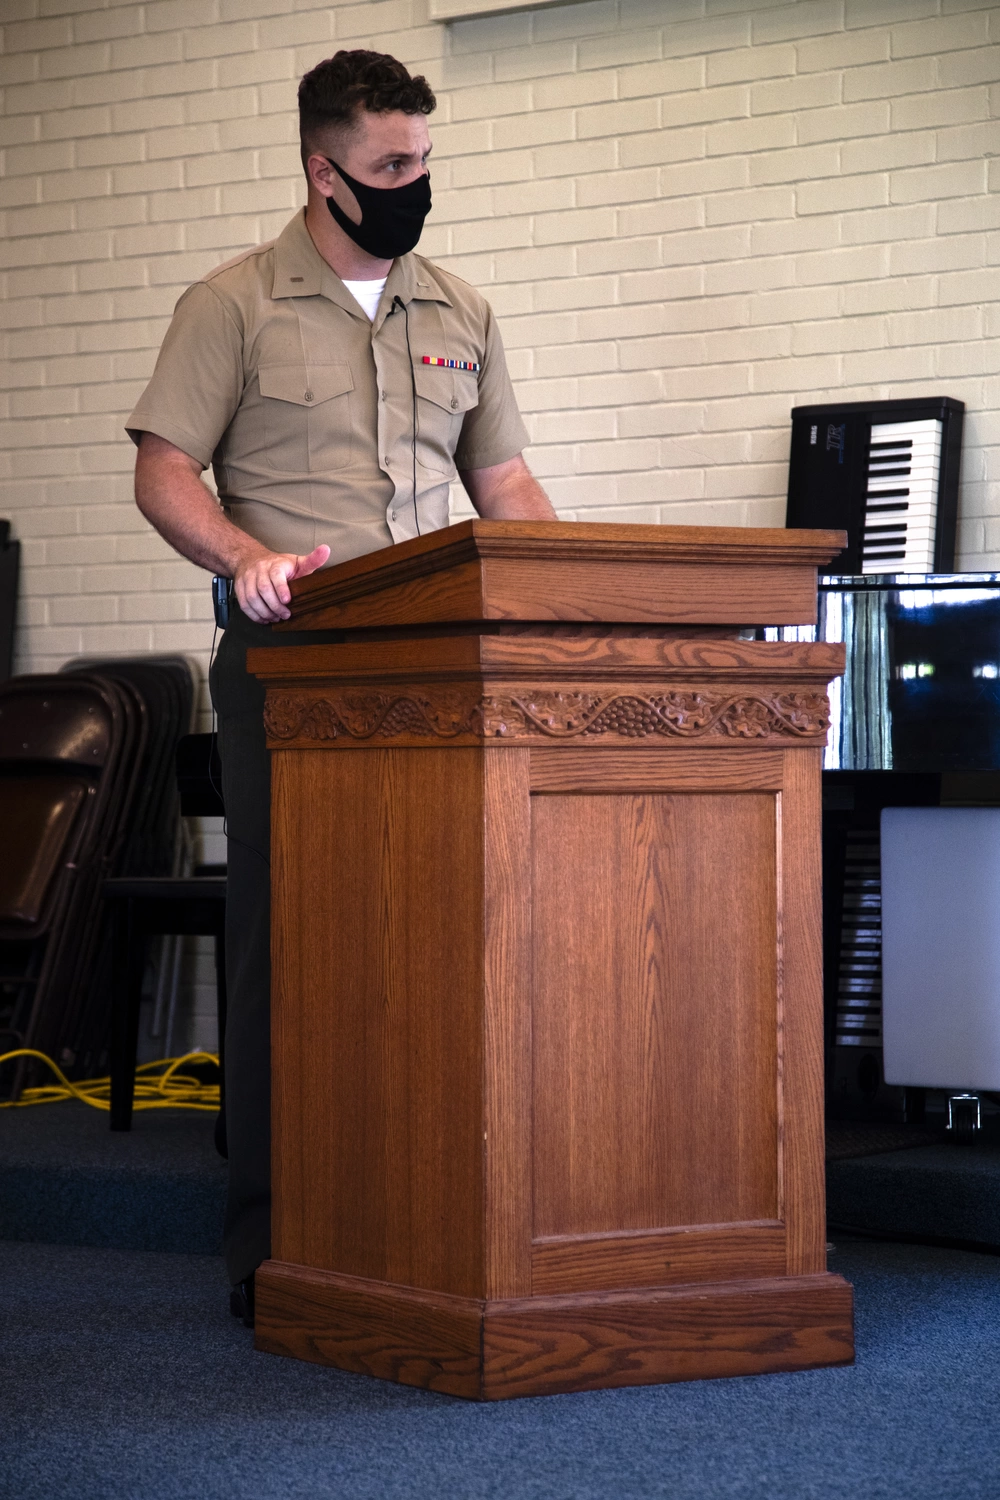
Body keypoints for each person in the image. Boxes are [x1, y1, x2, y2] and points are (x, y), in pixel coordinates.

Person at [126, 49, 556, 1324]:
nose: (415, 181)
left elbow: (506, 485)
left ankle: (426, 1215)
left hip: (446, 678)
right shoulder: (232, 303)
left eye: (423, 158)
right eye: (390, 164)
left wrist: (564, 594)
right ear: (324, 171)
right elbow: (164, 470)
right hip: (297, 670)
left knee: (443, 937)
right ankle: (274, 1239)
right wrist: (243, 558)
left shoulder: (461, 311)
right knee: (292, 942)